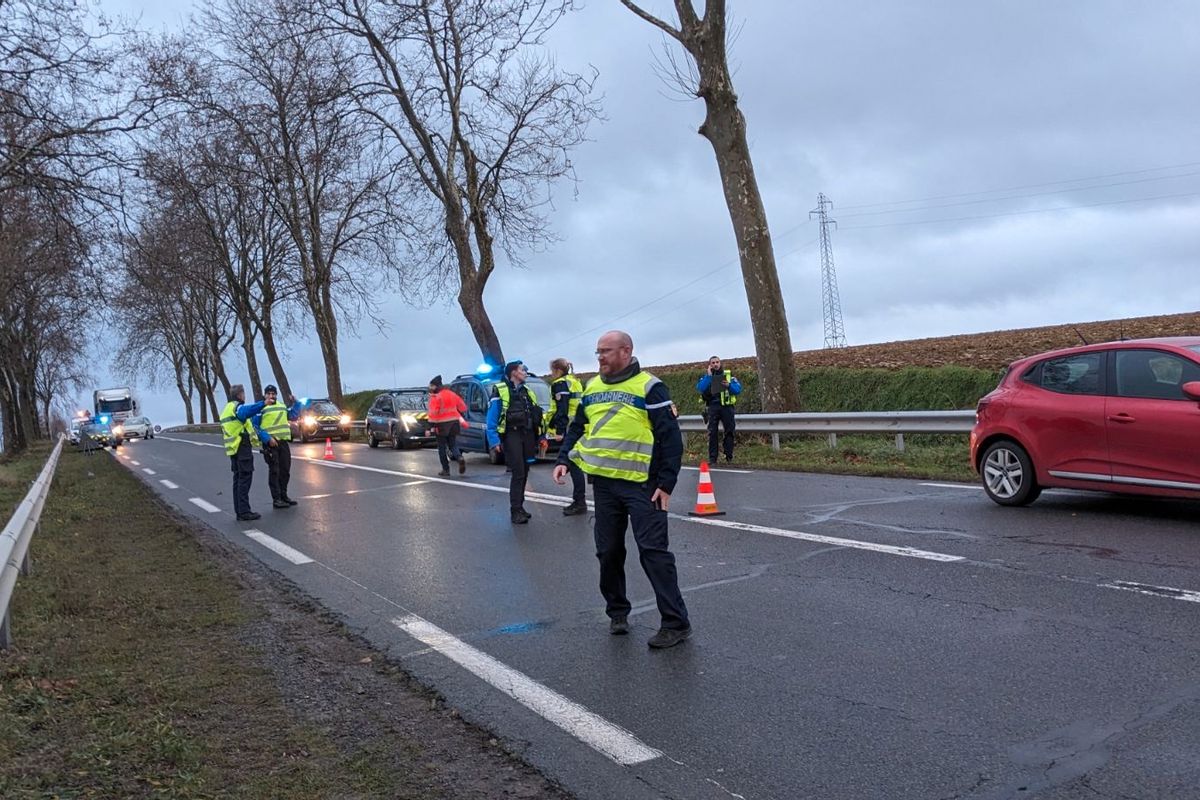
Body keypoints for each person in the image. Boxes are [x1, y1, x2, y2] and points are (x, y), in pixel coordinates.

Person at [553, 330, 691, 649]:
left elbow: (670, 439)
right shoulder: (592, 386)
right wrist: (563, 459)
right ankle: (617, 612)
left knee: (654, 554)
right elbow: (578, 426)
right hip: (604, 486)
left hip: (646, 485)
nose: (600, 357)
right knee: (608, 552)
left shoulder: (650, 387)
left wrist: (666, 485)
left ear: (626, 352)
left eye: (606, 351)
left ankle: (675, 623)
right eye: (597, 351)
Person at [486, 360, 545, 524]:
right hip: (512, 436)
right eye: (522, 370)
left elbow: (536, 416)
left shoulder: (528, 391)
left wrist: (541, 436)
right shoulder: (500, 390)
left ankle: (521, 506)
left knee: (525, 471)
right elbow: (491, 418)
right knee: (518, 472)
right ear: (513, 373)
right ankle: (515, 510)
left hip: (527, 436)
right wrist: (494, 440)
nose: (525, 372)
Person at [220, 384, 267, 521]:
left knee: (238, 479)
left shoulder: (227, 409)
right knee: (244, 479)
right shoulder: (237, 407)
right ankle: (244, 511)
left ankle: (239, 511)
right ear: (240, 395)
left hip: (233, 449)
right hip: (241, 447)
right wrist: (263, 403)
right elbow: (246, 412)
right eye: (244, 393)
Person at [547, 357, 587, 516]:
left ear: (557, 371)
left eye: (551, 371)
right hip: (579, 426)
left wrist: (559, 430)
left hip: (571, 427)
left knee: (573, 463)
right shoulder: (574, 381)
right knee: (575, 462)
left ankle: (579, 502)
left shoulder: (559, 384)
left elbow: (562, 408)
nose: (551, 375)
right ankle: (579, 500)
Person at [253, 384, 297, 509]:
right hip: (270, 444)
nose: (271, 396)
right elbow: (255, 427)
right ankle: (276, 499)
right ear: (265, 395)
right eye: (269, 394)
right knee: (274, 471)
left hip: (283, 442)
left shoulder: (282, 406)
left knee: (285, 470)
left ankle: (284, 495)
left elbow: (293, 415)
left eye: (273, 394)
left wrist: (296, 403)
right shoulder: (260, 408)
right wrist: (267, 438)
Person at [696, 355, 742, 464]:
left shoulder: (728, 375)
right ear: (710, 365)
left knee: (729, 431)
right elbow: (700, 388)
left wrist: (729, 386)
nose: (715, 364)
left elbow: (737, 390)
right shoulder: (706, 377)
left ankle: (729, 456)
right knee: (712, 432)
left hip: (727, 407)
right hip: (713, 407)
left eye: (717, 362)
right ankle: (713, 458)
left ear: (720, 363)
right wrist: (709, 376)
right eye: (713, 363)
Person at [427, 375, 468, 477]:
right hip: (454, 423)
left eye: (431, 386)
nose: (430, 388)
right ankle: (459, 457)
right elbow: (463, 407)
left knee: (441, 447)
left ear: (436, 386)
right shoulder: (451, 394)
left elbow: (433, 413)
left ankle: (446, 470)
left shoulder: (435, 397)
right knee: (453, 444)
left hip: (441, 425)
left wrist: (430, 427)